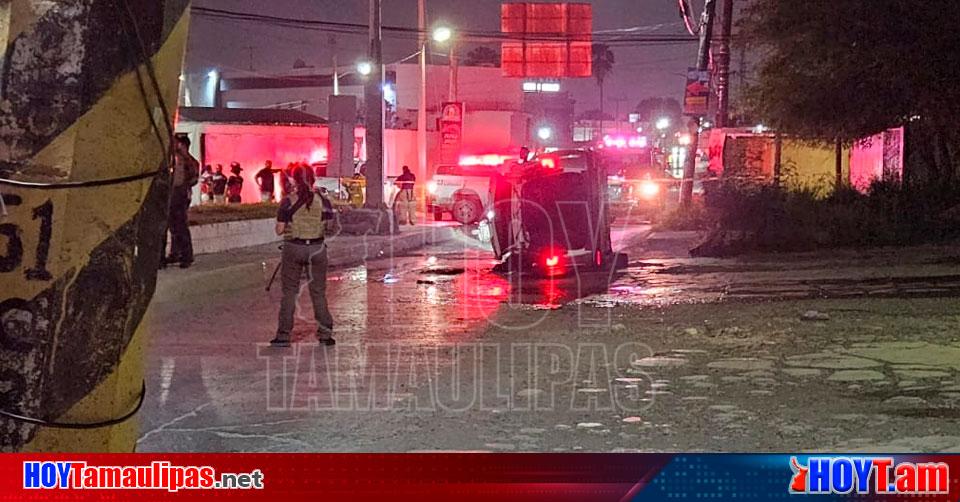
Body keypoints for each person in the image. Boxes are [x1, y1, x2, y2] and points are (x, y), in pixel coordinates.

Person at [271, 164, 336, 348]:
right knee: (318, 293)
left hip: (293, 248)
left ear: (294, 180)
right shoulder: (323, 201)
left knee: (289, 293)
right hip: (317, 249)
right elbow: (330, 226)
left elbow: (279, 230)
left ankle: (283, 335)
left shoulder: (287, 201)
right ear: (313, 179)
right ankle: (325, 334)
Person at [163, 135, 199, 269]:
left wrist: (184, 187)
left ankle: (186, 255)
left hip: (180, 195)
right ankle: (175, 253)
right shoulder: (171, 158)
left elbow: (194, 178)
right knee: (172, 226)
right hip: (171, 195)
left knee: (180, 226)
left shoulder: (188, 161)